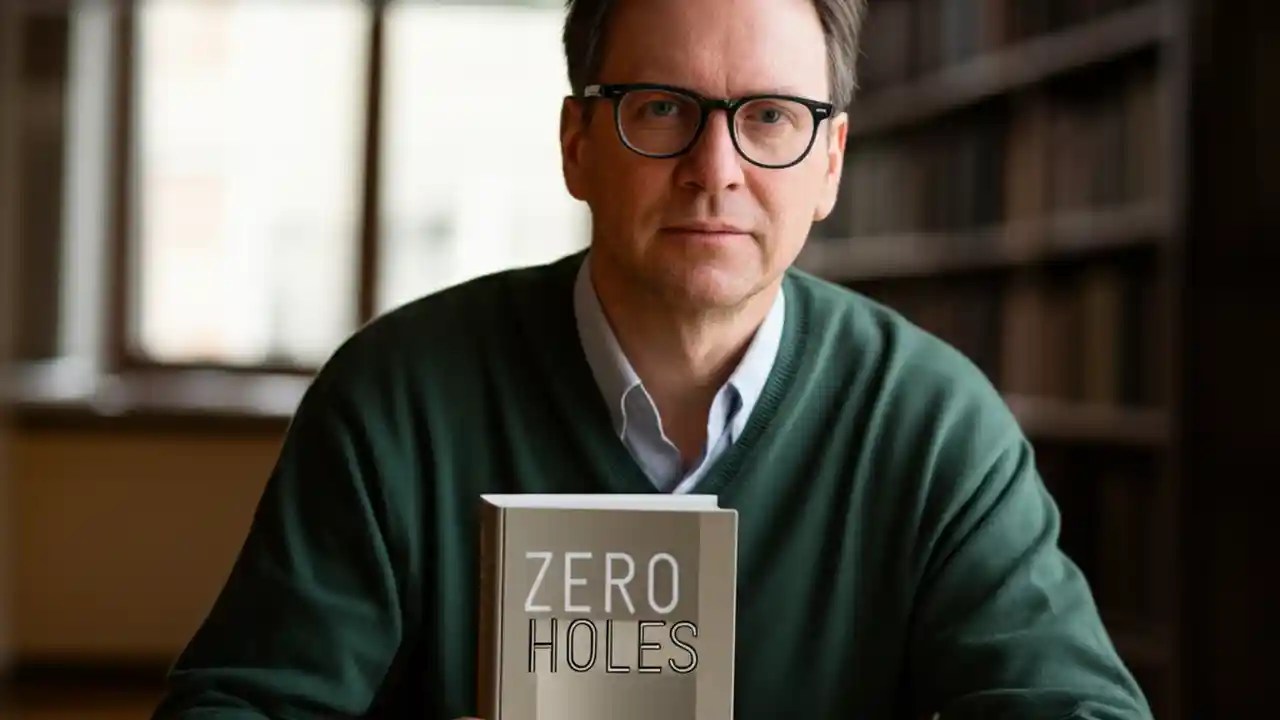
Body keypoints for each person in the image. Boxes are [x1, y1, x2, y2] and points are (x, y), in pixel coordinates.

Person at [152, 0, 1154, 717]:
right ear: (577, 142)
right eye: (663, 107)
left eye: (768, 116)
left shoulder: (934, 425)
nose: (714, 169)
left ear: (830, 163)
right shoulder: (393, 399)